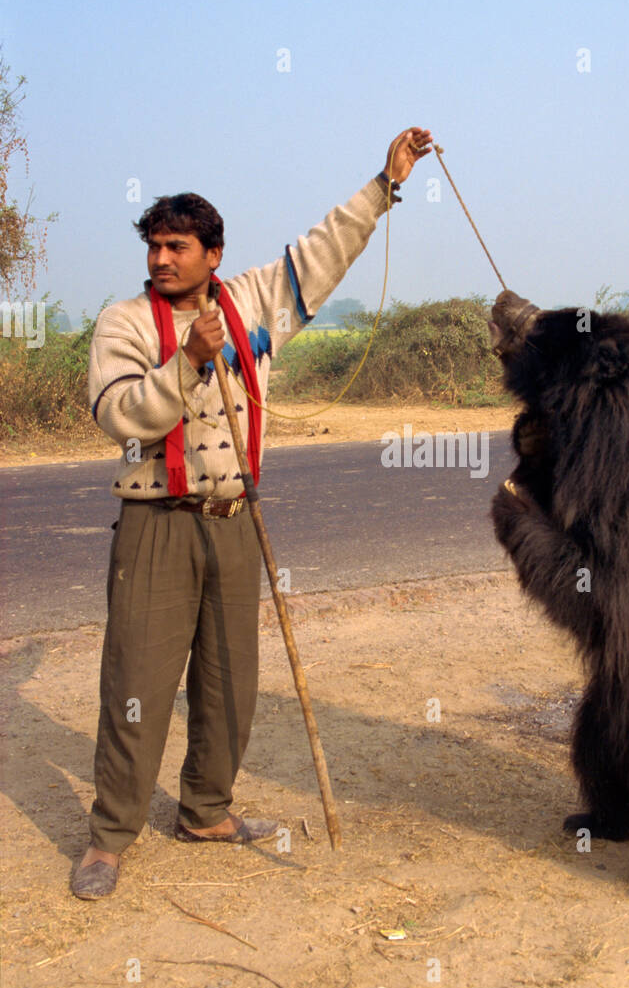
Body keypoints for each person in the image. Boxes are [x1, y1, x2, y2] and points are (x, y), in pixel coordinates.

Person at [72, 127, 433, 899]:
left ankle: (205, 810)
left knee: (231, 680)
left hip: (236, 520)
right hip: (156, 524)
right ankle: (108, 838)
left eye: (177, 247)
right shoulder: (123, 325)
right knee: (137, 680)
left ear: (213, 255)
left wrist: (385, 182)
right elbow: (121, 416)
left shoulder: (252, 301)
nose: (161, 260)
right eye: (154, 247)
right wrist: (190, 362)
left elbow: (321, 251)